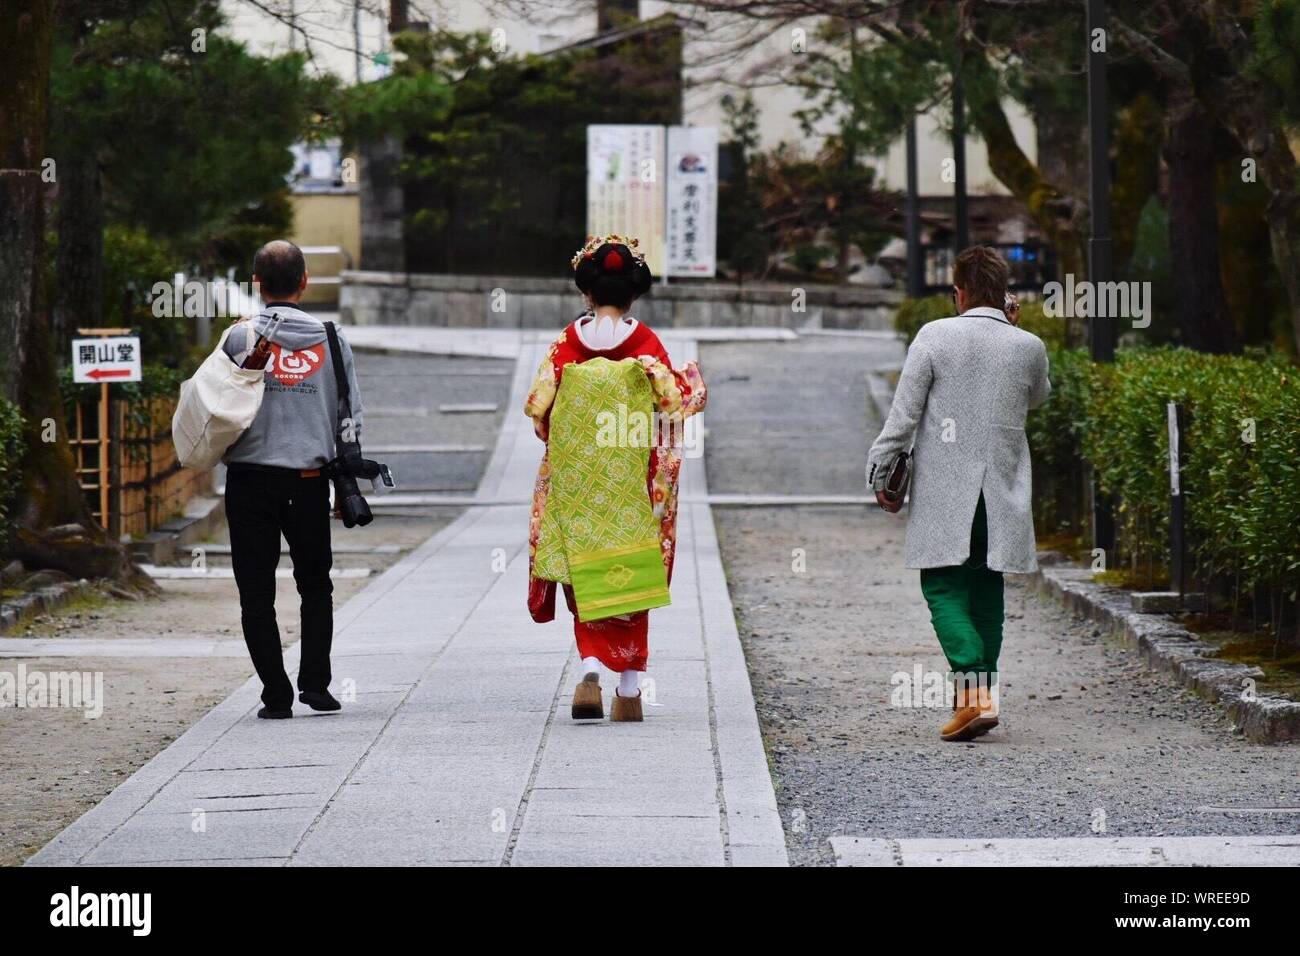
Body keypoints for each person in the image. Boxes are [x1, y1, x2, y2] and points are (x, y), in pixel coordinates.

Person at [867, 246, 1050, 742]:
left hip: (948, 489)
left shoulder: (935, 336)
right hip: (1002, 489)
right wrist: (1012, 330)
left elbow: (903, 417)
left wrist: (880, 471)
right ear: (1004, 292)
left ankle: (974, 693)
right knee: (987, 592)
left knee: (944, 588)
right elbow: (1039, 395)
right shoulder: (1027, 344)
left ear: (960, 292)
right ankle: (978, 695)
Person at [524, 235, 706, 722]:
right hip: (634, 478)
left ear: (587, 293)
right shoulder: (646, 344)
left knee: (585, 567)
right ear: (633, 293)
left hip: (580, 478)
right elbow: (673, 407)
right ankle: (628, 690)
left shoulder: (566, 343)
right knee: (629, 571)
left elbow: (541, 415)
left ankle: (589, 671)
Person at [221, 240, 364, 719]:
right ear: (305, 281)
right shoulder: (332, 338)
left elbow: (214, 408)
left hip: (248, 480)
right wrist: (347, 482)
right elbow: (349, 416)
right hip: (307, 481)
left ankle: (275, 693)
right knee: (315, 584)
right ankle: (316, 686)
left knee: (255, 589)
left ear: (256, 284)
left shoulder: (239, 339)